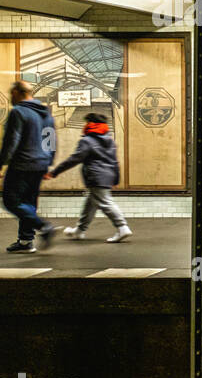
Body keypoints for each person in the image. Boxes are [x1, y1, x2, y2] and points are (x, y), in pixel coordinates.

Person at [46, 112, 131, 243]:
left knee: (105, 202)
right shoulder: (109, 140)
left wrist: (55, 172)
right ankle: (79, 230)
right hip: (107, 175)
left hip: (95, 176)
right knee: (90, 204)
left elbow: (74, 159)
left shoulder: (87, 141)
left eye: (86, 122)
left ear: (91, 124)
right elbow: (115, 161)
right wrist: (116, 179)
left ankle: (122, 227)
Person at [0, 80, 58, 253]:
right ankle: (26, 241)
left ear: (19, 92)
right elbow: (51, 141)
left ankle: (44, 227)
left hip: (22, 165)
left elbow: (11, 142)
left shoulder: (18, 112)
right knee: (29, 203)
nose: (11, 97)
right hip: (40, 164)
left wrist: (0, 163)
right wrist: (48, 163)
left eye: (12, 93)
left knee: (11, 201)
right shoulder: (46, 114)